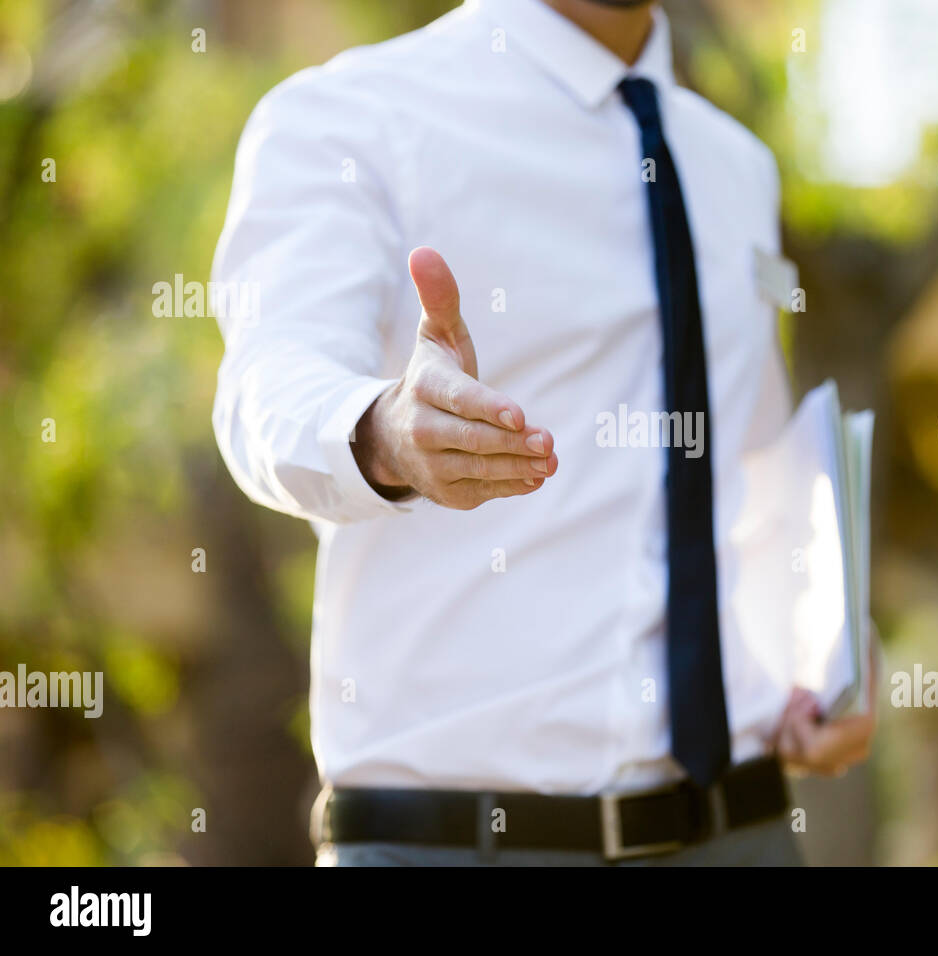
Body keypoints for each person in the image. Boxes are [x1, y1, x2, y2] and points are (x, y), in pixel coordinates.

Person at [211, 0, 874, 866]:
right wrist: (386, 434)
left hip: (739, 830)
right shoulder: (350, 116)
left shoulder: (736, 165)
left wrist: (824, 657)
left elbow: (753, 462)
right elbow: (265, 387)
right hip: (457, 843)